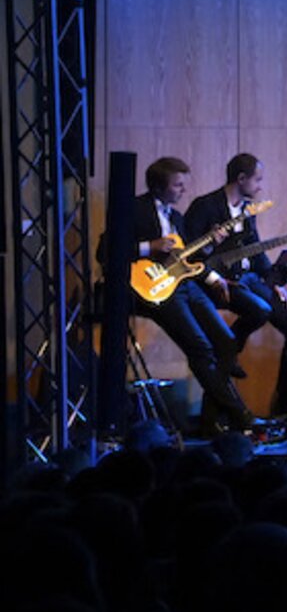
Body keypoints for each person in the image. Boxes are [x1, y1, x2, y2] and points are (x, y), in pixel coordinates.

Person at [99, 156, 260, 435]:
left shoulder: (176, 218)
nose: (183, 191)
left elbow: (188, 259)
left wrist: (211, 267)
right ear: (158, 187)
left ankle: (213, 420)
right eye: (178, 185)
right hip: (155, 289)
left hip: (184, 285)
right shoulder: (134, 209)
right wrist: (149, 247)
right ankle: (240, 416)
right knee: (200, 346)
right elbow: (105, 251)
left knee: (226, 342)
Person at [184, 154, 287, 423]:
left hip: (249, 278)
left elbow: (256, 250)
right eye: (257, 180)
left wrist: (274, 283)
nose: (260, 186)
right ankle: (228, 351)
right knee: (259, 311)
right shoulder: (205, 206)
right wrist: (210, 245)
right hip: (218, 280)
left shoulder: (248, 209)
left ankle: (285, 406)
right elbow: (189, 254)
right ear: (241, 179)